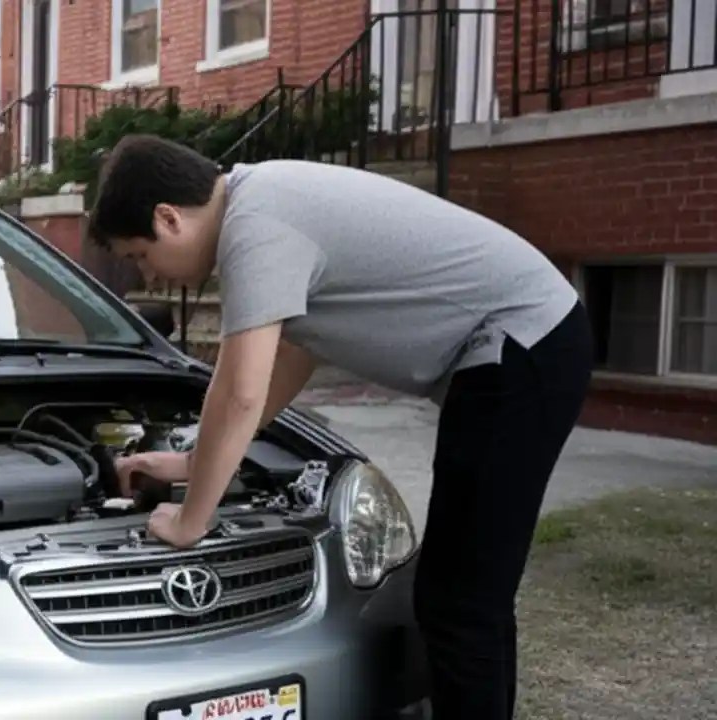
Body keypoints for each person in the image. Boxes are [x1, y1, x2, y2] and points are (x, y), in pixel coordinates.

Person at [88, 134, 593, 720]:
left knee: (458, 602)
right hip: (528, 345)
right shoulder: (261, 199)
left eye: (139, 257)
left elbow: (242, 391)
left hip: (523, 346)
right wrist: (190, 461)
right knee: (469, 597)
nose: (147, 275)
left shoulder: (255, 227)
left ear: (168, 218)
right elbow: (286, 360)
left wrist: (190, 520)